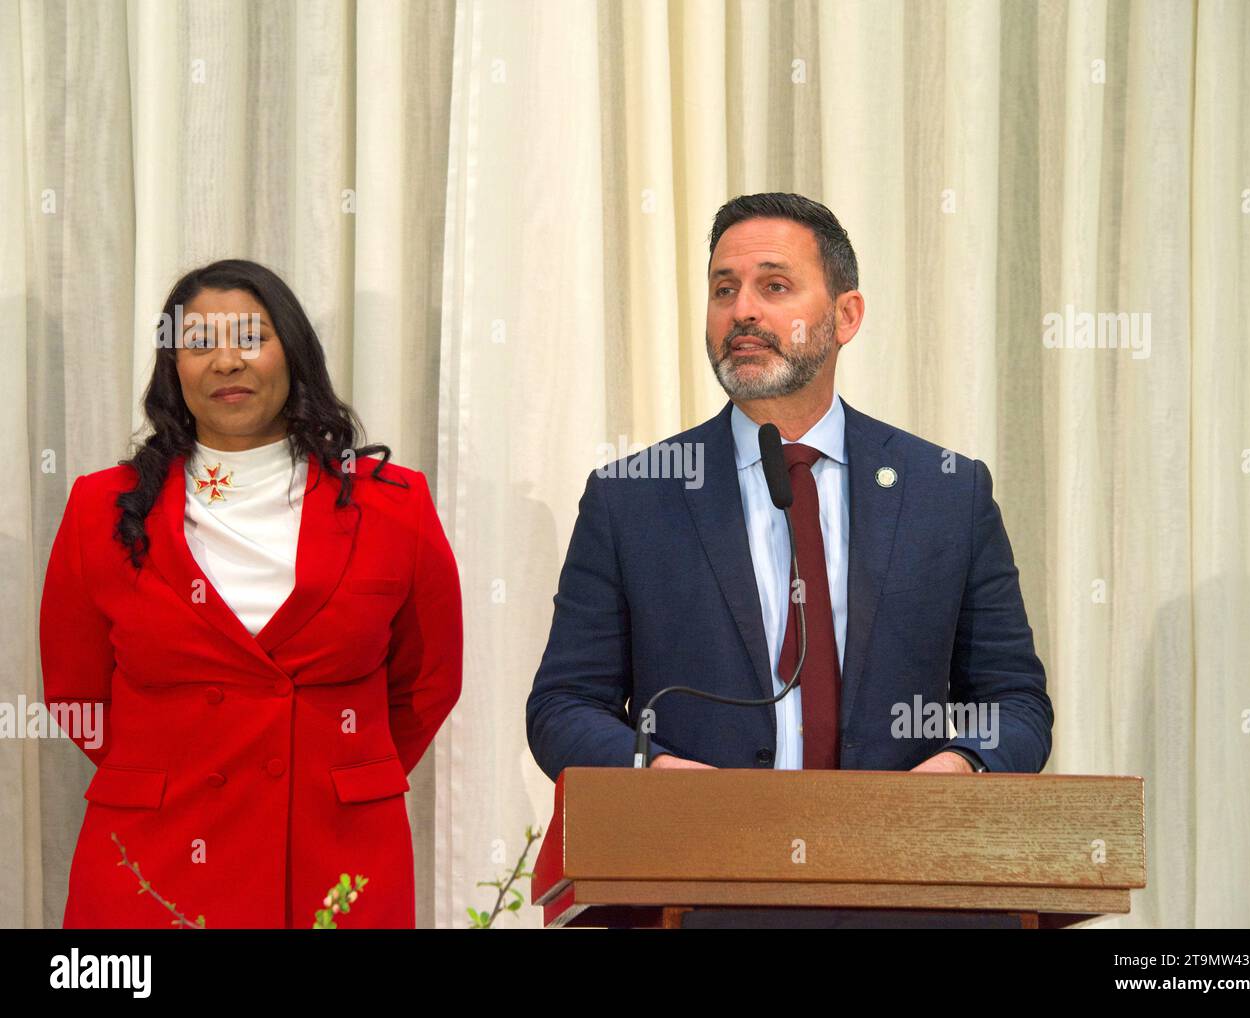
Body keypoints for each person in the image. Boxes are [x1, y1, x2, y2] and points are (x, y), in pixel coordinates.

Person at [527, 193, 1052, 777]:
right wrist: (658, 775)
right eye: (724, 290)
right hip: (701, 833)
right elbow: (564, 707)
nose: (742, 311)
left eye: (774, 286)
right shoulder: (632, 498)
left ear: (846, 316)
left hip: (890, 831)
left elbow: (1015, 704)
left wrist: (960, 765)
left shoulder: (946, 493)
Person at [40, 259, 462, 928]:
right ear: (173, 366)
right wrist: (173, 768)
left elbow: (428, 682)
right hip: (154, 858)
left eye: (250, 338)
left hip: (337, 857)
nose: (226, 361)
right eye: (199, 343)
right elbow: (76, 692)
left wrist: (334, 772)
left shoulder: (395, 503)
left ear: (292, 352)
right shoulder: (101, 507)